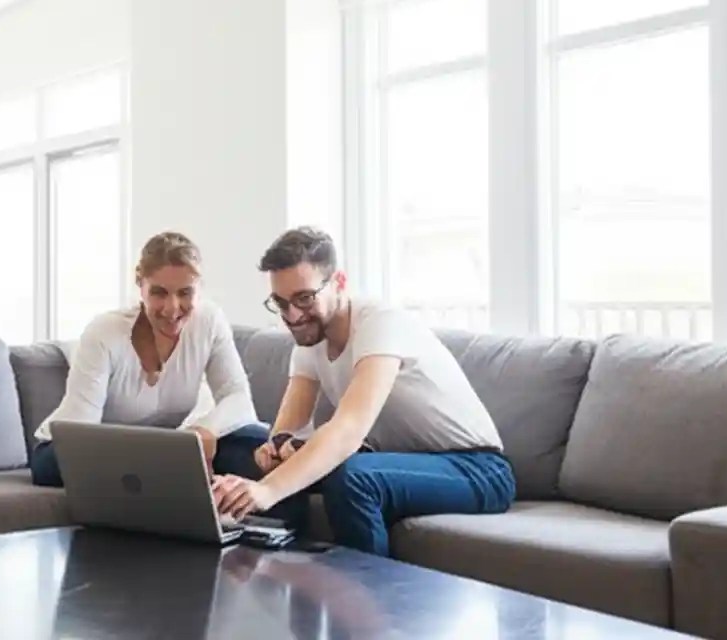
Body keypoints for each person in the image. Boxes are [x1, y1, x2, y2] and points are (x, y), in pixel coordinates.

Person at [212, 227, 515, 556]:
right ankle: (282, 581)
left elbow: (349, 430)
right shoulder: (309, 341)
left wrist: (268, 490)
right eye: (281, 303)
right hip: (395, 463)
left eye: (304, 298)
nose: (293, 316)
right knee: (235, 449)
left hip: (477, 469)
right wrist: (273, 450)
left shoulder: (380, 324)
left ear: (339, 283)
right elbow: (286, 429)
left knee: (351, 477)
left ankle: (367, 603)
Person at [31, 231, 267, 487]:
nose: (172, 308)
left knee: (258, 444)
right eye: (159, 293)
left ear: (199, 289)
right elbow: (82, 434)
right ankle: (171, 474)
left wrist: (205, 430)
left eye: (185, 293)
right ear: (140, 285)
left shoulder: (209, 321)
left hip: (164, 448)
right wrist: (162, 453)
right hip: (70, 450)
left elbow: (238, 398)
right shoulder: (104, 333)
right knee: (144, 460)